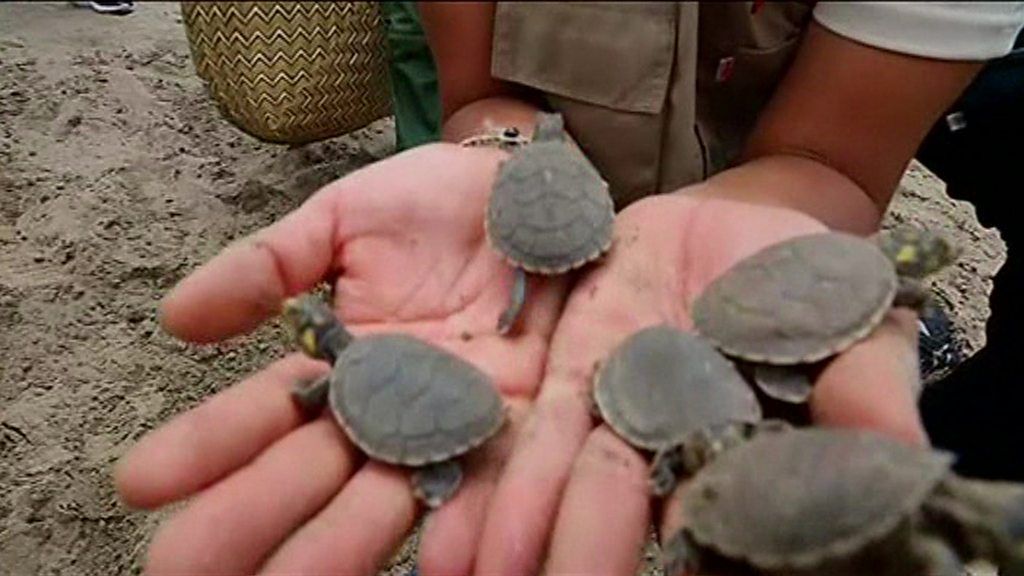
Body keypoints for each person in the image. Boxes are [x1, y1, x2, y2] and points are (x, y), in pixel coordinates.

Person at [112, 3, 1024, 575]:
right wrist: (498, 154)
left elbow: (828, 160)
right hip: (548, 194)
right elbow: (481, 98)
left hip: (740, 215)